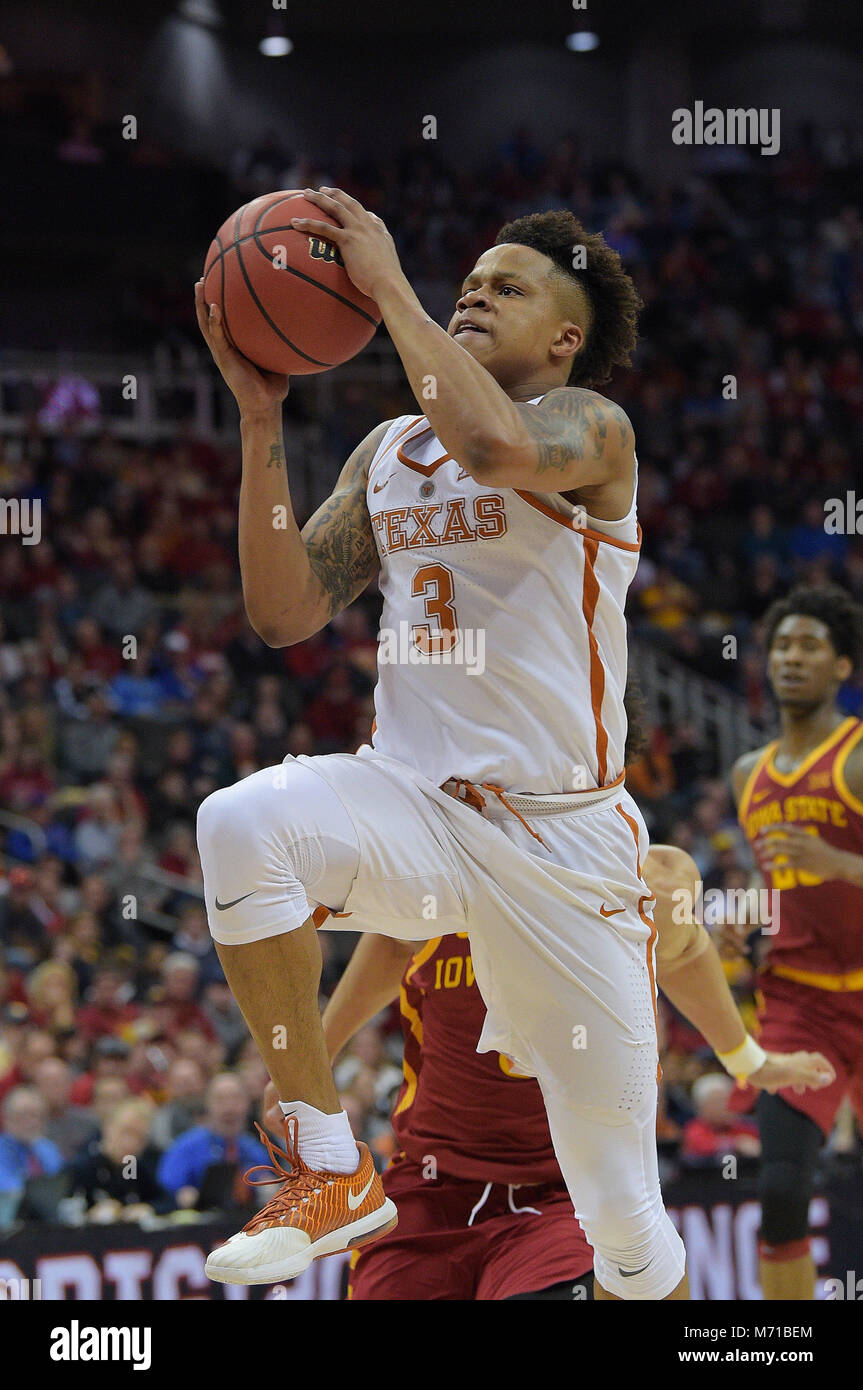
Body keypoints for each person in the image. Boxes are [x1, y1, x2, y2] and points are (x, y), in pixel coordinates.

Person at [195, 191, 692, 1299]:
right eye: (467, 278)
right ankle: (330, 1166)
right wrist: (261, 420)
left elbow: (493, 440)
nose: (473, 291)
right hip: (416, 805)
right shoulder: (386, 452)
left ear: (563, 338)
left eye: (506, 286)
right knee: (237, 822)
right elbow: (281, 615)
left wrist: (385, 287)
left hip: (565, 848)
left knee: (621, 1218)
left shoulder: (588, 429)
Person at [261, 844, 828, 1300]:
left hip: (564, 1196)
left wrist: (748, 1060)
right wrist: (312, 1066)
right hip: (430, 1188)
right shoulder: (441, 860)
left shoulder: (642, 880)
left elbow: (682, 951)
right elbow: (390, 942)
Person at [728, 584, 863, 1299]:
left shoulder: (857, 757)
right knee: (779, 1193)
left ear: (842, 666)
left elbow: (822, 870)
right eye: (781, 645)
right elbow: (773, 881)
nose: (790, 657)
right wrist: (740, 918)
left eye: (809, 645)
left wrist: (840, 865)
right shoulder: (747, 774)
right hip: (799, 1003)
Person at [156, 1072, 267, 1211]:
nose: (229, 1107)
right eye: (221, 1099)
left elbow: (268, 1178)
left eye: (236, 1098)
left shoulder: (254, 1147)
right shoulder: (185, 1147)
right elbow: (165, 1187)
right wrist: (182, 1195)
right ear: (208, 1105)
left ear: (247, 1104)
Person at [0, 1086, 64, 1192]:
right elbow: (9, 1192)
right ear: (7, 1118)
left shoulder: (48, 1147)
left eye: (37, 1116)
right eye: (24, 1116)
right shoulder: (2, 1150)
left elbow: (61, 1181)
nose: (32, 1123)